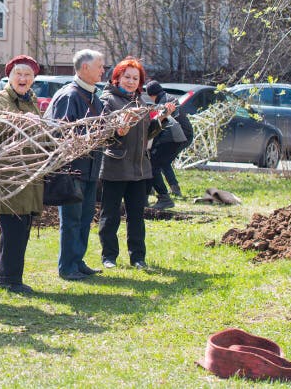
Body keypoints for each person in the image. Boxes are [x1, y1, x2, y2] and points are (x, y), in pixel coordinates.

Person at [98, 57, 175, 270]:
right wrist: (117, 131)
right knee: (110, 215)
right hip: (115, 167)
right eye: (127, 77)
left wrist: (162, 118)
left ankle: (138, 258)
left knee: (136, 217)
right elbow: (103, 134)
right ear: (117, 78)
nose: (131, 81)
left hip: (140, 168)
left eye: (135, 78)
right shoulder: (107, 100)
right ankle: (109, 257)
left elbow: (147, 133)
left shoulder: (140, 102)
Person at [0, 55, 44, 294]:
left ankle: (12, 277)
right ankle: (7, 278)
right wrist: (18, 120)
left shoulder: (32, 100)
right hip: (9, 172)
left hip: (30, 171)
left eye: (28, 75)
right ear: (9, 76)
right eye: (19, 74)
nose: (23, 78)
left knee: (23, 225)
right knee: (12, 225)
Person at [44, 49, 105, 281]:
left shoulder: (94, 95)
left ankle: (78, 261)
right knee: (71, 220)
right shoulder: (69, 95)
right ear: (84, 68)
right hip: (72, 170)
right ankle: (67, 266)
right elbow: (60, 132)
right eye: (99, 66)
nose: (103, 70)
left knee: (85, 216)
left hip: (90, 169)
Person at [145, 80, 194, 209]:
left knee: (153, 164)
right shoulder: (168, 98)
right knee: (161, 162)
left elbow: (162, 124)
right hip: (182, 136)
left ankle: (163, 197)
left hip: (176, 137)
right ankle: (171, 189)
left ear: (151, 95)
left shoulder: (163, 102)